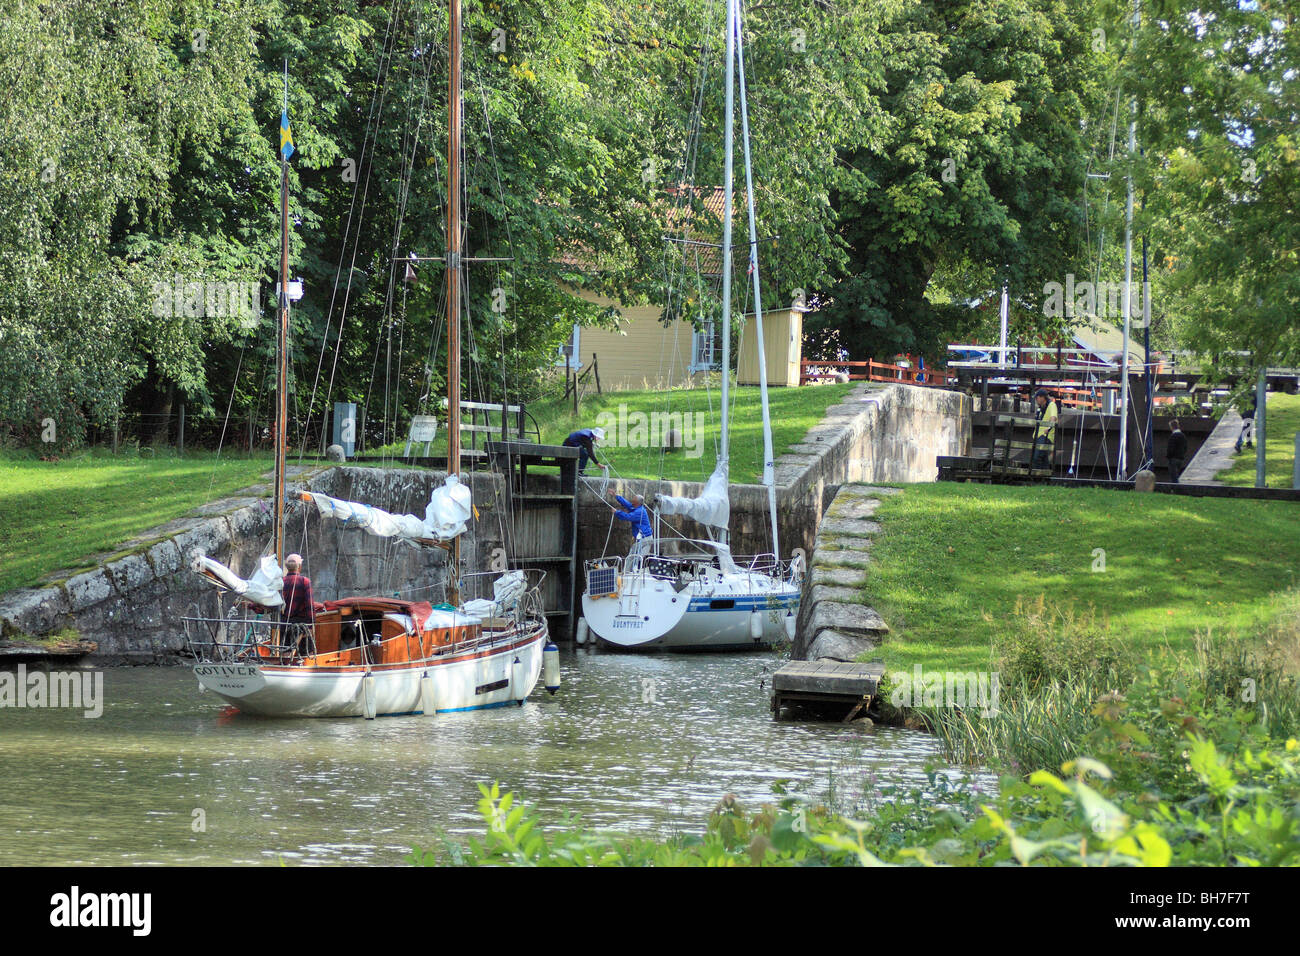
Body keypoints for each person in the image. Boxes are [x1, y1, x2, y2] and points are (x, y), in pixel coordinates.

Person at [281, 553, 316, 656]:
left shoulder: (280, 582)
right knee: (308, 654)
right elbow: (310, 605)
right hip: (302, 625)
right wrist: (311, 625)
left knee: (285, 653)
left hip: (284, 624)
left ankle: (283, 667)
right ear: (299, 566)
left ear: (287, 567)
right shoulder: (305, 582)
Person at [1032, 388, 1059, 471]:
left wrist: (1049, 427)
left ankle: (1036, 477)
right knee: (1043, 459)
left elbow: (1053, 417)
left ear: (1042, 397)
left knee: (1037, 457)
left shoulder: (1051, 405)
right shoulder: (1040, 409)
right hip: (1038, 436)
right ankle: (1045, 479)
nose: (1036, 400)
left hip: (1046, 436)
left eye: (1037, 398)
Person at [1166, 419, 1189, 484]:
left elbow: (1170, 448)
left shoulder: (1173, 436)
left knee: (1173, 477)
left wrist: (1169, 456)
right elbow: (1185, 447)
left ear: (1171, 427)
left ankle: (1175, 490)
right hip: (1181, 458)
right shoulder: (1183, 436)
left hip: (1173, 459)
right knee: (1177, 475)